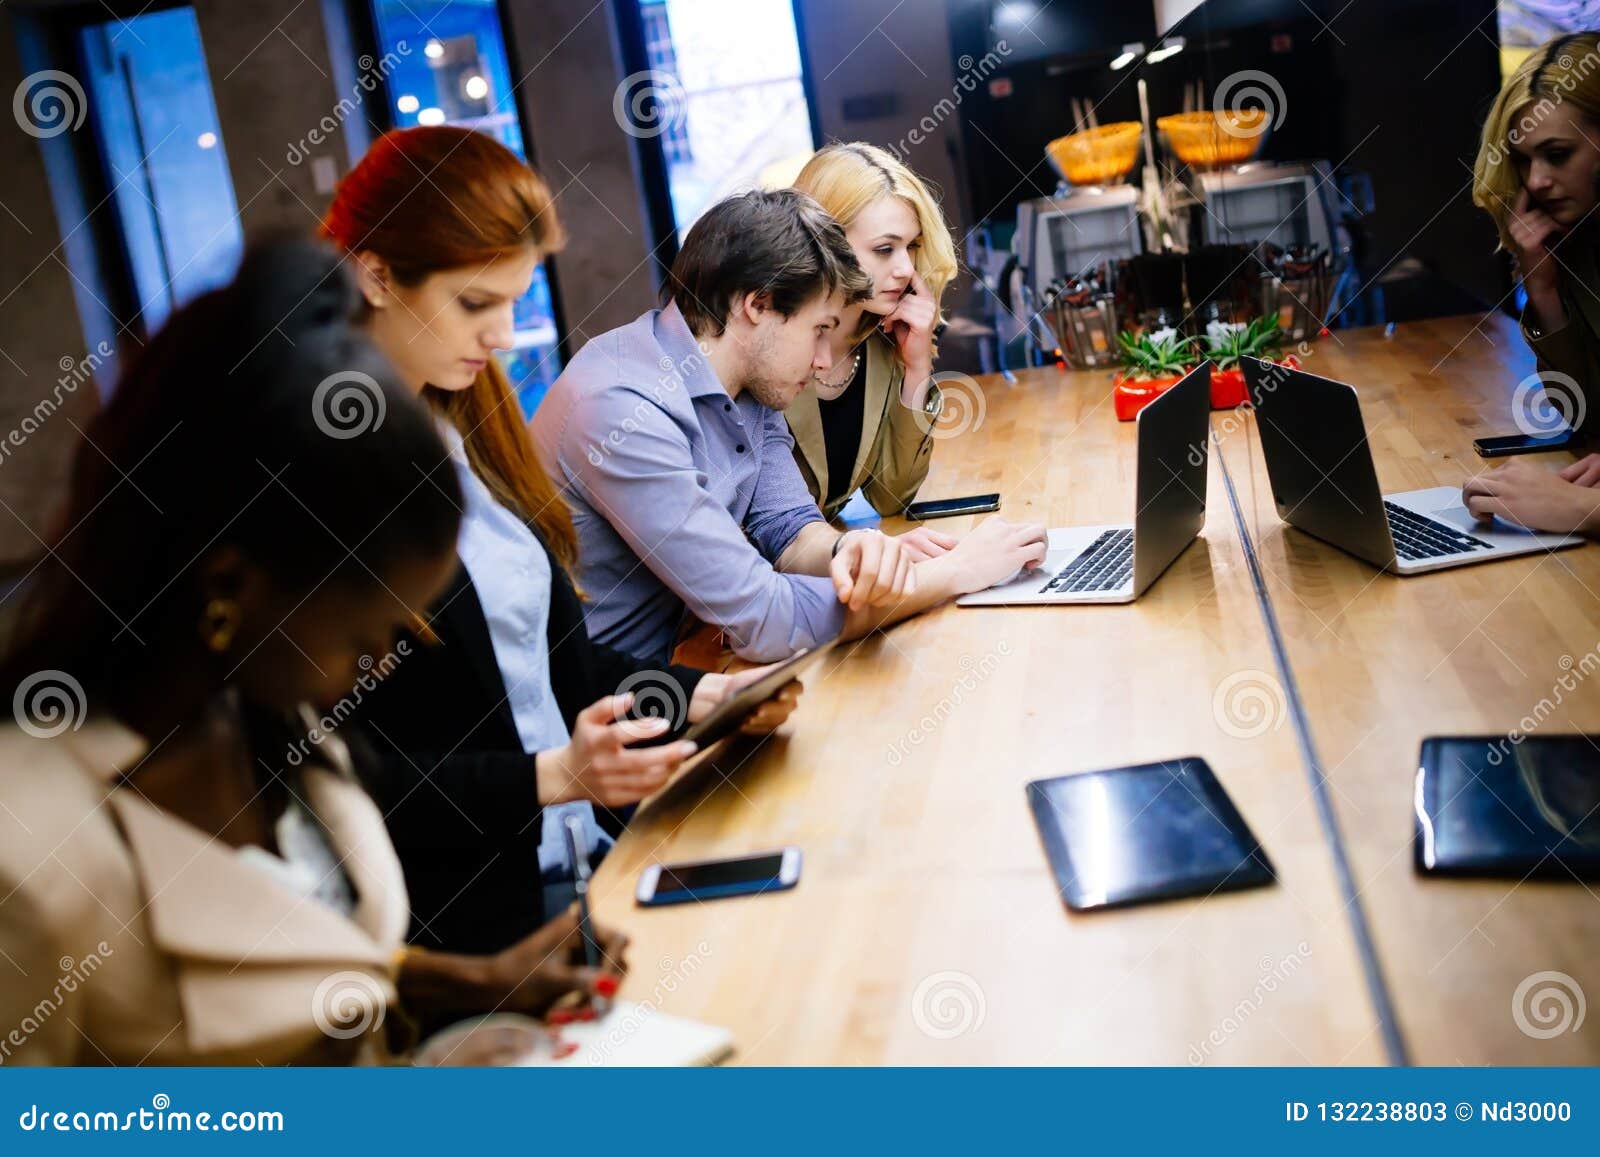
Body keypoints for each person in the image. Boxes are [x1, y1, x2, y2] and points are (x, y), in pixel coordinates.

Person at [0, 240, 627, 1065]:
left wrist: (470, 980)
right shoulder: (31, 853)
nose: (378, 664)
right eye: (364, 637)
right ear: (230, 586)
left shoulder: (264, 708)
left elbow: (293, 939)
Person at [321, 127, 801, 956]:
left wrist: (697, 698)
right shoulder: (325, 469)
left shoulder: (460, 416)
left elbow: (553, 671)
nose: (505, 334)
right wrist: (553, 777)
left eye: (515, 300)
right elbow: (339, 775)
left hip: (570, 869)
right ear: (375, 274)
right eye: (477, 303)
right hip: (455, 933)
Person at [529, 188, 1048, 664]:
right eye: (819, 329)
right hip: (593, 719)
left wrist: (855, 554)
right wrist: (953, 574)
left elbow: (789, 531)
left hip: (683, 669)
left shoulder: (748, 386)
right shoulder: (622, 410)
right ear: (756, 305)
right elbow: (769, 623)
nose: (825, 360)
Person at [1467, 31, 1600, 531]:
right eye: (1523, 159)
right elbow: (1584, 418)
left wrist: (1583, 510)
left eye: (1558, 154)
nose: (1537, 180)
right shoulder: (1580, 244)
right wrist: (1542, 291)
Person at [785, 142, 958, 520]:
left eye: (911, 247)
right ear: (823, 245)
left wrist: (916, 369)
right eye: (884, 249)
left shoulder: (881, 342)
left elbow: (890, 497)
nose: (904, 269)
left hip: (829, 562)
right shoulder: (772, 345)